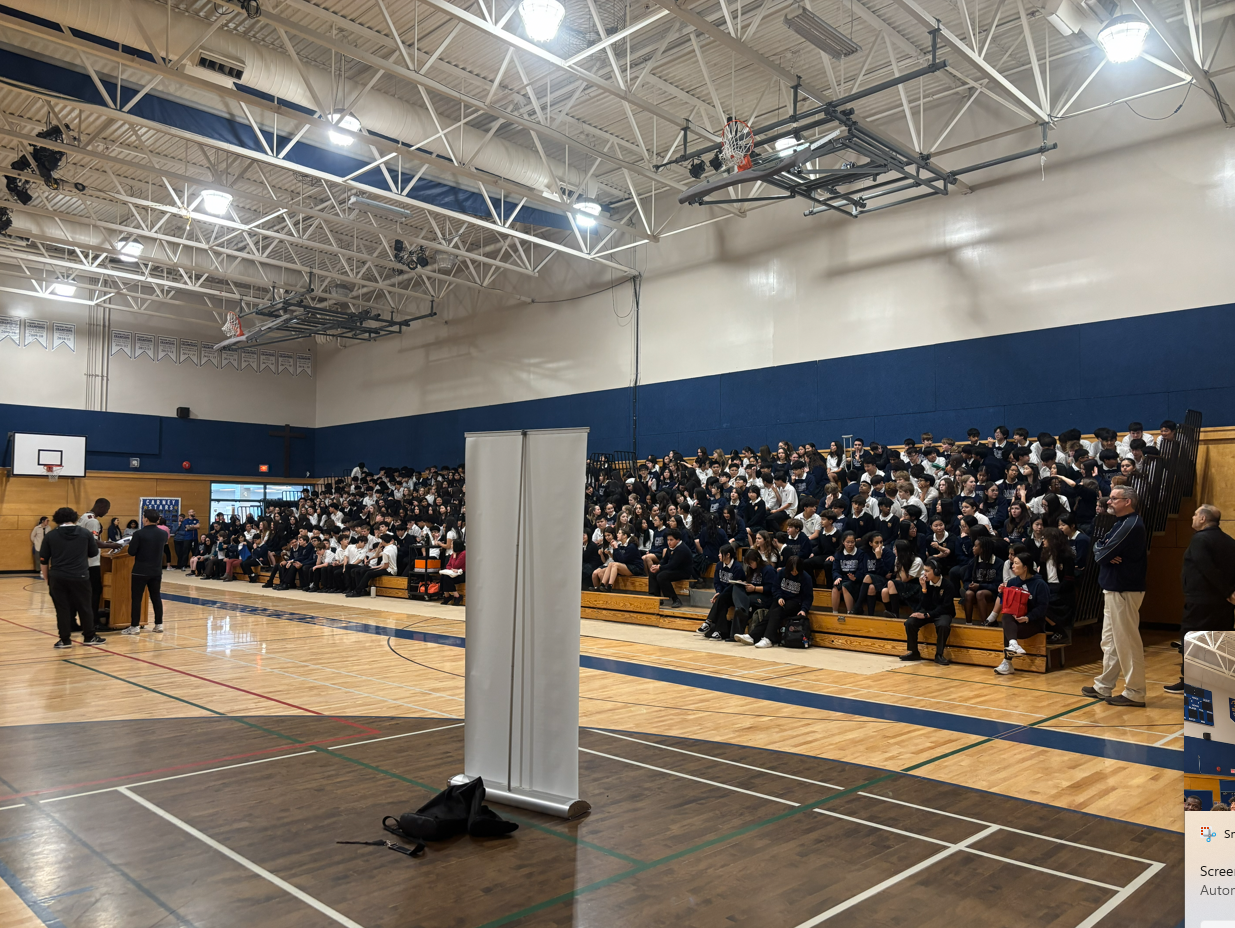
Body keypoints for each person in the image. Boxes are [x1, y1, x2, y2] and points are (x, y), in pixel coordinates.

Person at [1083, 486, 1148, 707]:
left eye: (1113, 499)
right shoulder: (1120, 523)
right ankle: (1104, 685)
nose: (1109, 502)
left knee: (1127, 641)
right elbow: (1099, 547)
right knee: (1110, 641)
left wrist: (1104, 551)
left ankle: (1135, 691)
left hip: (1124, 589)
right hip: (1113, 587)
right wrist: (1104, 551)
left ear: (1127, 502)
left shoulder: (1131, 524)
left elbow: (1102, 555)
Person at [1165, 504, 1235, 695]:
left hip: (1201, 601)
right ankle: (1219, 682)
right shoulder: (1229, 540)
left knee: (1192, 640)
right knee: (1220, 641)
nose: (1193, 518)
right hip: (1223, 603)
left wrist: (1227, 591)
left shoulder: (1200, 540)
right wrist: (1230, 593)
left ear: (1203, 519)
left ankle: (1191, 682)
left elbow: (1206, 568)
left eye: (1196, 515)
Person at [40, 507, 105, 649]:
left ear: (57, 518)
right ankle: (89, 636)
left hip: (58, 577)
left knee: (62, 609)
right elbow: (93, 553)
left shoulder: (51, 535)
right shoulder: (85, 533)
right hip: (80, 576)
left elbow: (44, 560)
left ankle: (65, 640)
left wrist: (47, 579)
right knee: (85, 607)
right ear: (75, 517)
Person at [994, 552, 1050, 675]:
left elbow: (1043, 607)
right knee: (1007, 617)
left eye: (1016, 563)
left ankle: (1007, 662)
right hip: (1014, 620)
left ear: (1025, 567)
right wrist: (1002, 592)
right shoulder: (1012, 582)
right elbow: (1005, 603)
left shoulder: (1040, 584)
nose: (1012, 566)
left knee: (1009, 630)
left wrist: (1027, 618)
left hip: (1033, 622)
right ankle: (1013, 646)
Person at [900, 559, 956, 665]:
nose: (924, 574)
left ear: (936, 572)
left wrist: (927, 615)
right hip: (928, 611)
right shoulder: (925, 583)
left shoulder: (948, 585)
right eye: (924, 570)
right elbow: (924, 605)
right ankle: (914, 652)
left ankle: (939, 654)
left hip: (943, 612)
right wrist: (924, 589)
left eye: (927, 571)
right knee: (910, 622)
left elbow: (946, 607)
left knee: (943, 625)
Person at [121, 509, 167, 636]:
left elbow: (131, 552)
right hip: (156, 571)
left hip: (140, 571)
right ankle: (159, 624)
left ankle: (134, 626)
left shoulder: (138, 534)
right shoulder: (163, 534)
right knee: (156, 597)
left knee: (137, 598)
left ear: (145, 519)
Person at [648, 528, 691, 608]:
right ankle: (657, 597)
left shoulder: (682, 549)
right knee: (653, 572)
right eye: (668, 540)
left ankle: (675, 599)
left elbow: (672, 565)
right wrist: (658, 566)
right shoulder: (671, 547)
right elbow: (664, 560)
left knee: (662, 576)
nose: (669, 542)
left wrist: (660, 568)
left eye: (671, 540)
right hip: (674, 569)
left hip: (683, 571)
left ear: (678, 540)